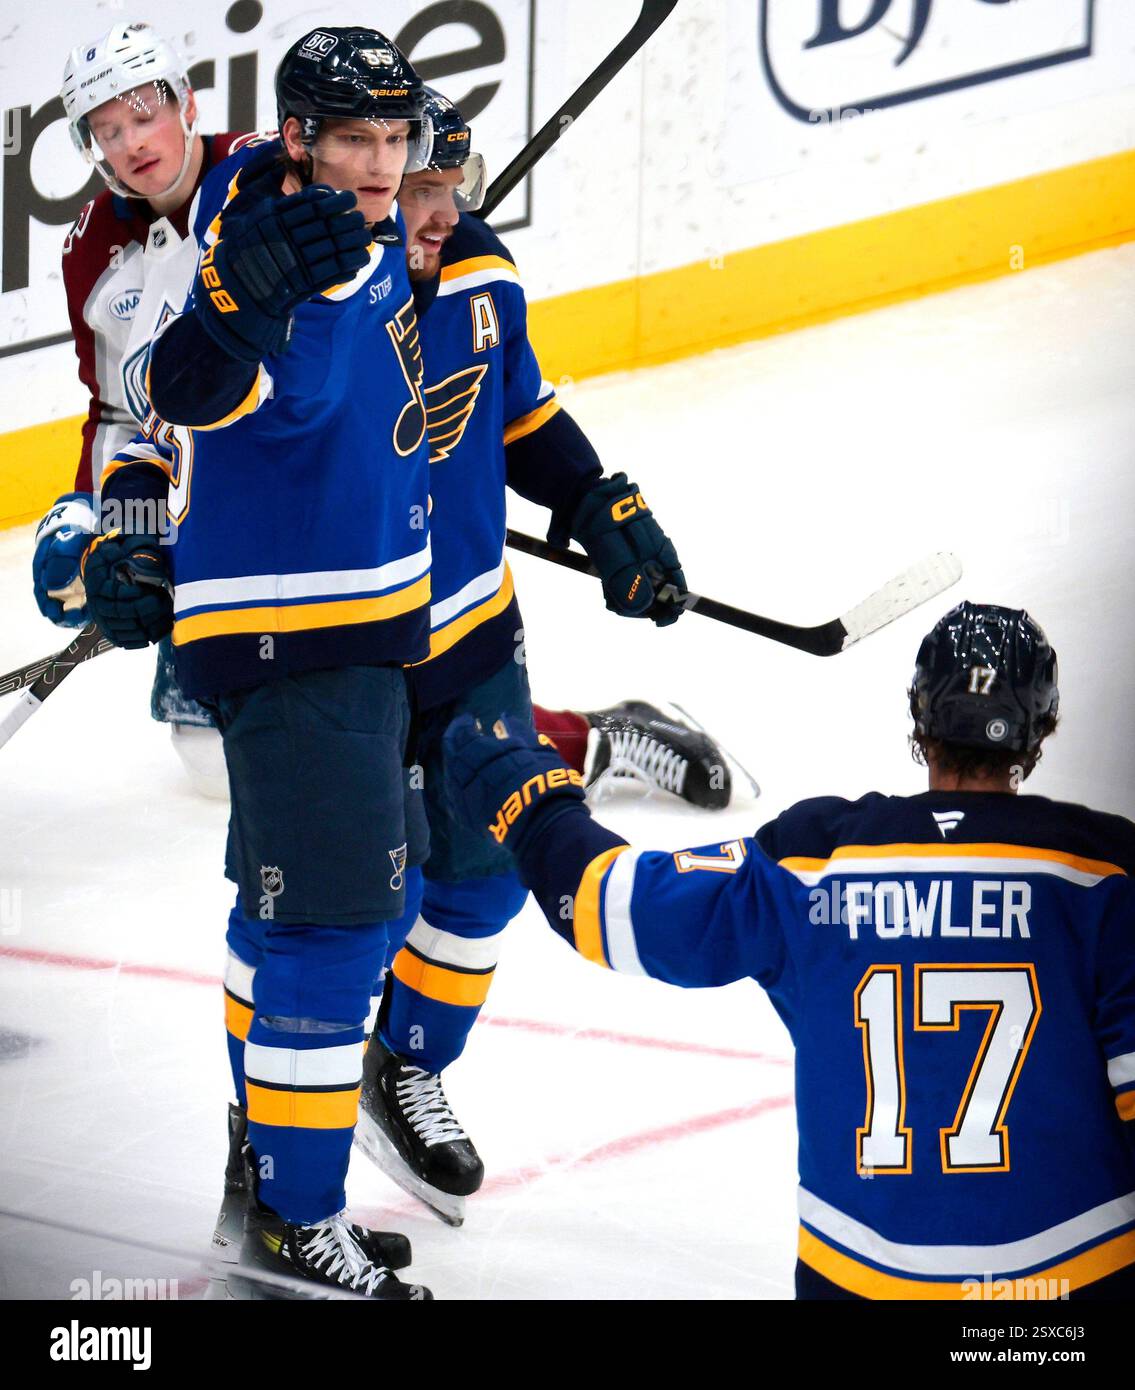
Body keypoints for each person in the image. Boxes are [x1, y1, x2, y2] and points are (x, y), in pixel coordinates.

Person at [443, 601, 1135, 1299]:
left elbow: (612, 905)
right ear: (1039, 730)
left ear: (920, 721)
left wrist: (532, 807)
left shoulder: (814, 859)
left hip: (858, 1281)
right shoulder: (1105, 878)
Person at [82, 26, 441, 1300]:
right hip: (296, 629)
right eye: (356, 138)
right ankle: (299, 1212)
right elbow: (182, 382)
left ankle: (261, 1149)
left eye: (398, 137)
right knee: (337, 926)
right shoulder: (257, 224)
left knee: (323, 906)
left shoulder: (329, 203)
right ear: (296, 137)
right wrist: (241, 303)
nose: (383, 162)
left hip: (361, 625)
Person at [348, 89, 716, 1226]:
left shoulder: (478, 267)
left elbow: (519, 415)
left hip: (473, 637)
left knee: (479, 877)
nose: (433, 213)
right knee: (335, 908)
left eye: (445, 188)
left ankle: (404, 1064)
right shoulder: (311, 297)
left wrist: (598, 498)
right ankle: (269, 1138)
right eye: (411, 189)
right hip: (341, 656)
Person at [32, 20, 259, 797]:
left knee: (388, 718)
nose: (131, 142)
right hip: (188, 500)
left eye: (142, 112)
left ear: (185, 103)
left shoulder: (266, 177)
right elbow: (115, 411)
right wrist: (92, 521)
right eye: (106, 130)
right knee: (209, 758)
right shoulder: (93, 247)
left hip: (307, 485)